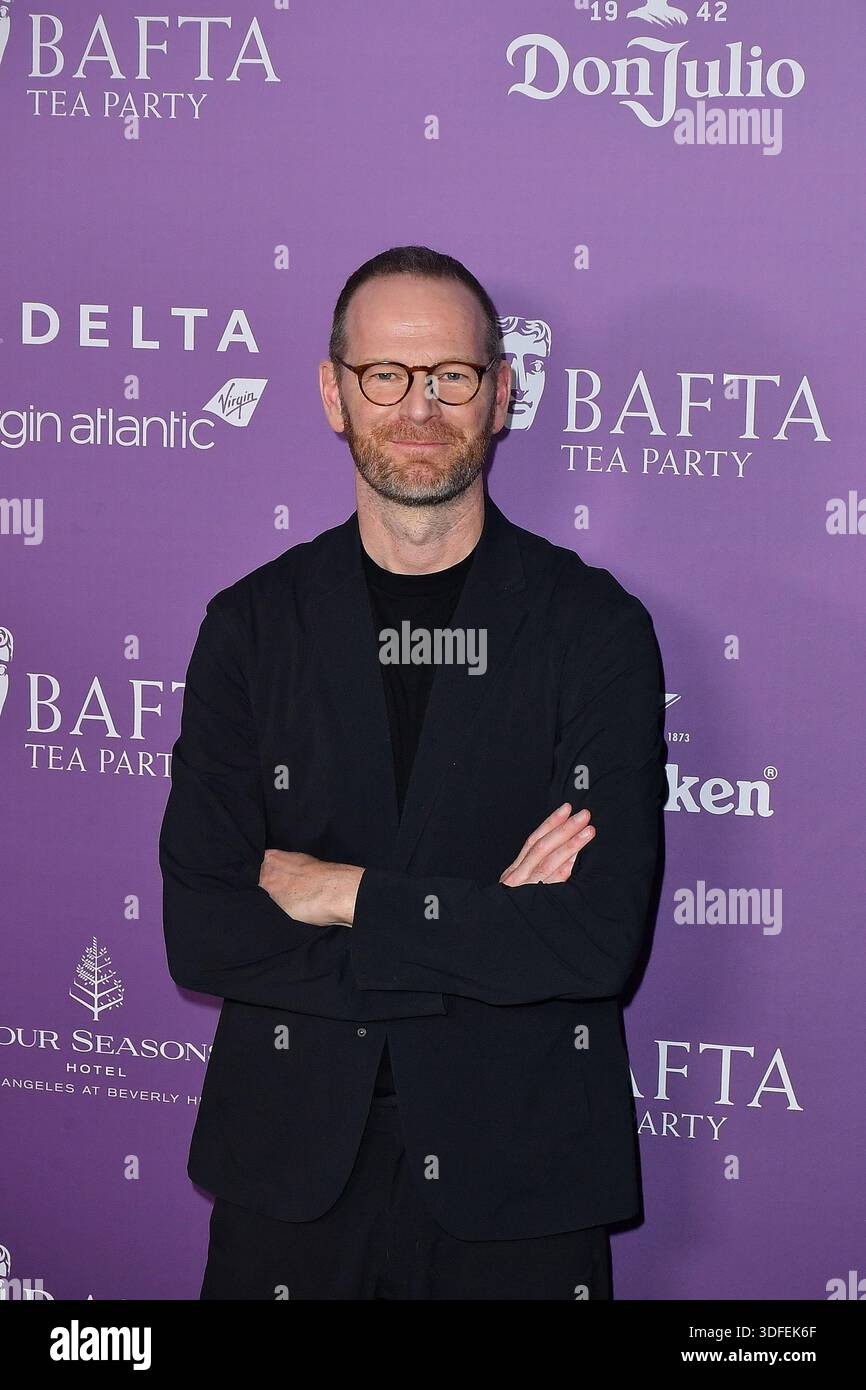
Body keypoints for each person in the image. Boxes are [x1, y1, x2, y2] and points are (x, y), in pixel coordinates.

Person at [158, 244, 666, 1300]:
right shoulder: (250, 627)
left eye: (451, 376)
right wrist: (481, 930)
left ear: (501, 394)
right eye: (385, 375)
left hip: (519, 1184)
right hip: (290, 1177)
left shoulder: (594, 629)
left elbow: (594, 938)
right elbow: (204, 928)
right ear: (332, 392)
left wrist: (339, 893)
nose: (418, 407)